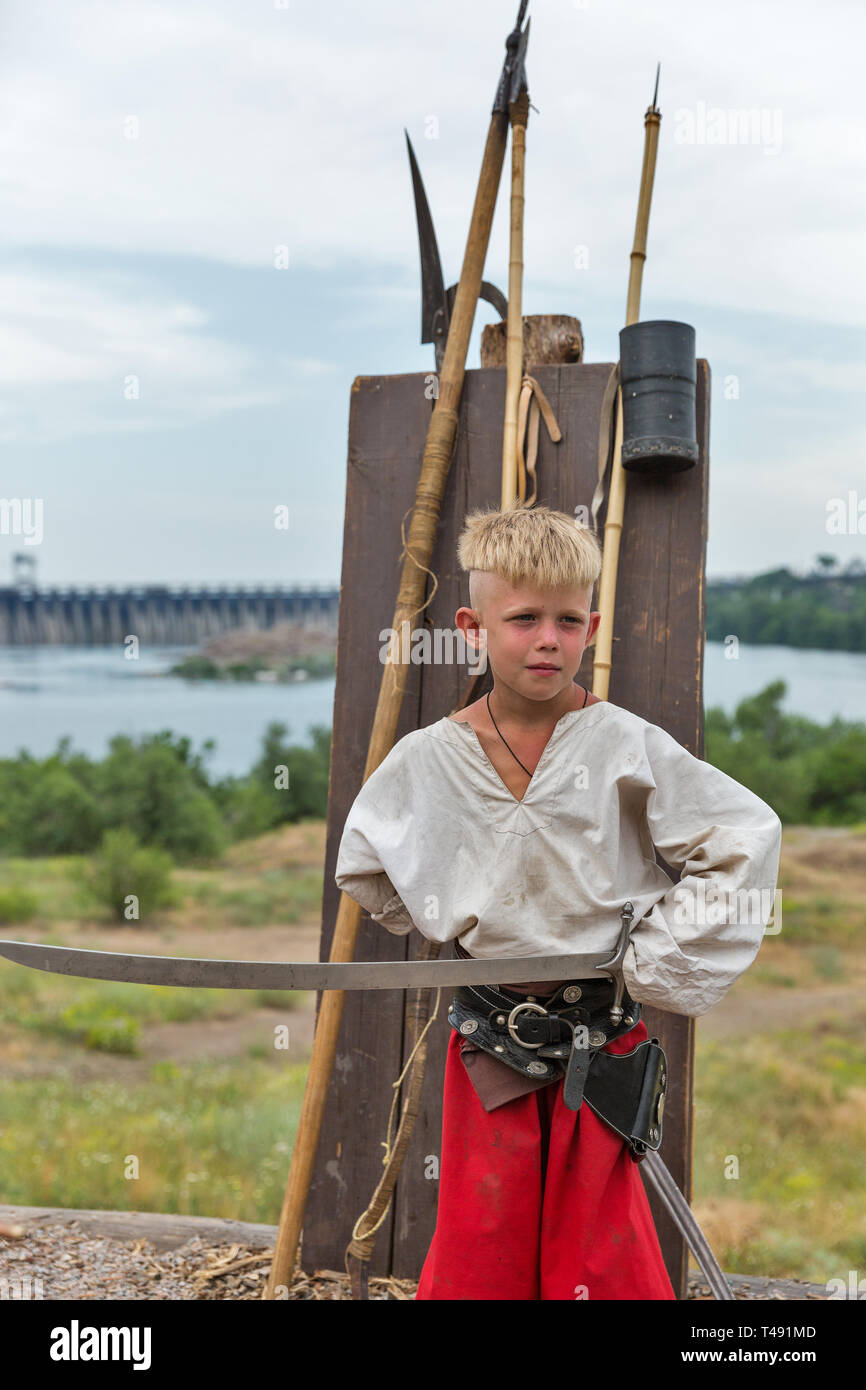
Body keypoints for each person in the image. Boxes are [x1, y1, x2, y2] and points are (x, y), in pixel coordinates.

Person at [334, 502, 782, 1301]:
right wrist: (460, 913)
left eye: (569, 620)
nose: (548, 638)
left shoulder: (625, 745)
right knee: (484, 1241)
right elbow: (369, 870)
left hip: (601, 1038)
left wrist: (655, 954)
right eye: (524, 619)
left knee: (600, 1257)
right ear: (473, 627)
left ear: (593, 626)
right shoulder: (426, 762)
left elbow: (744, 837)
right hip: (487, 1043)